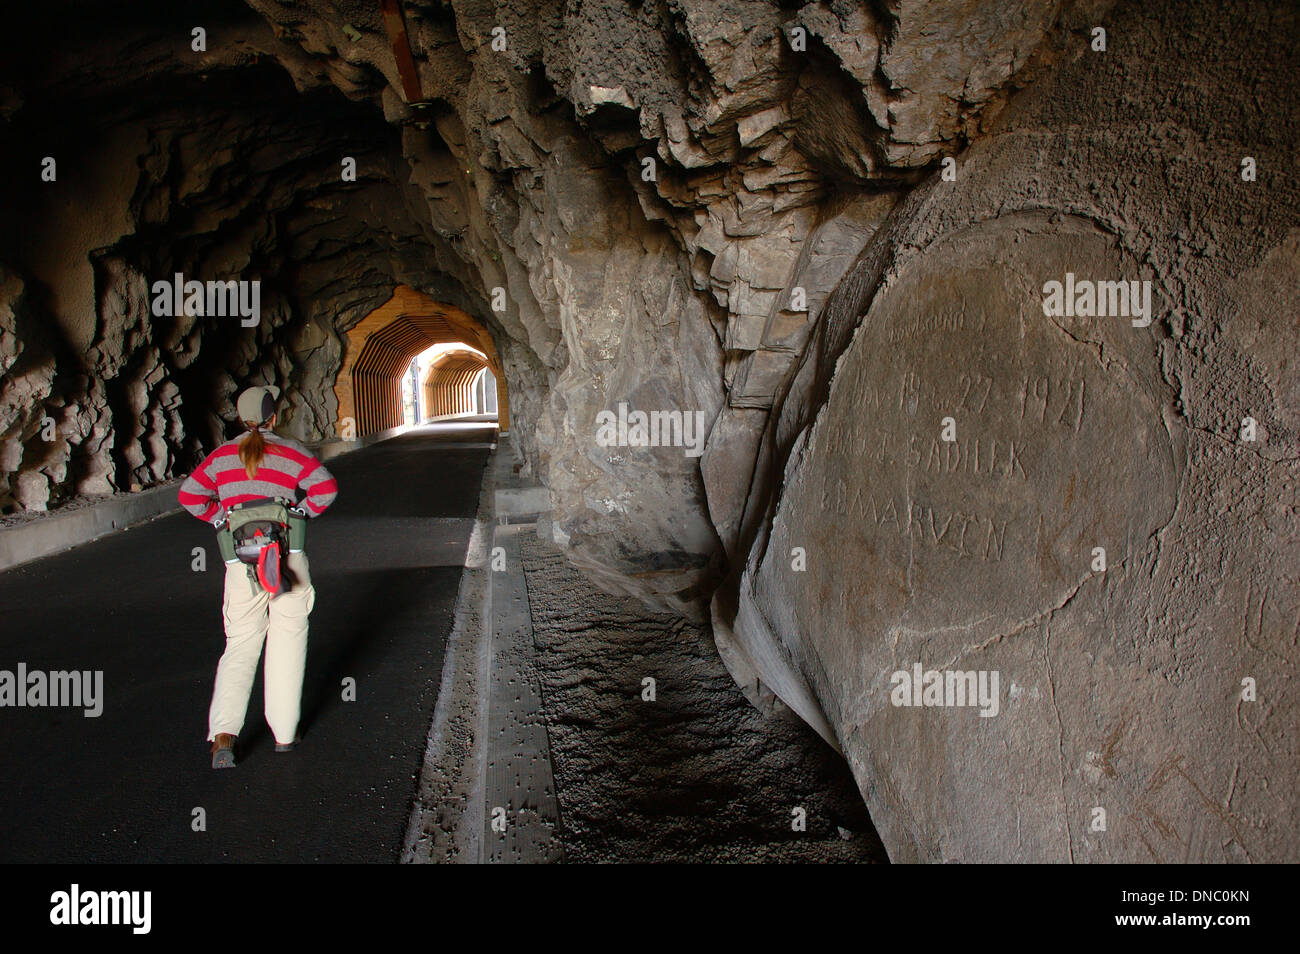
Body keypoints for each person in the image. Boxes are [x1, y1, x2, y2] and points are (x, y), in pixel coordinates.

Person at [178, 385, 338, 768]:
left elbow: (190, 496)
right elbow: (326, 489)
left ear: (240, 417)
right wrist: (299, 512)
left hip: (241, 564)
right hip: (287, 559)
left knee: (240, 646)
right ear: (272, 417)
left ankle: (223, 738)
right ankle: (284, 734)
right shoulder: (291, 451)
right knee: (287, 641)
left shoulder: (220, 457)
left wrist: (220, 517)